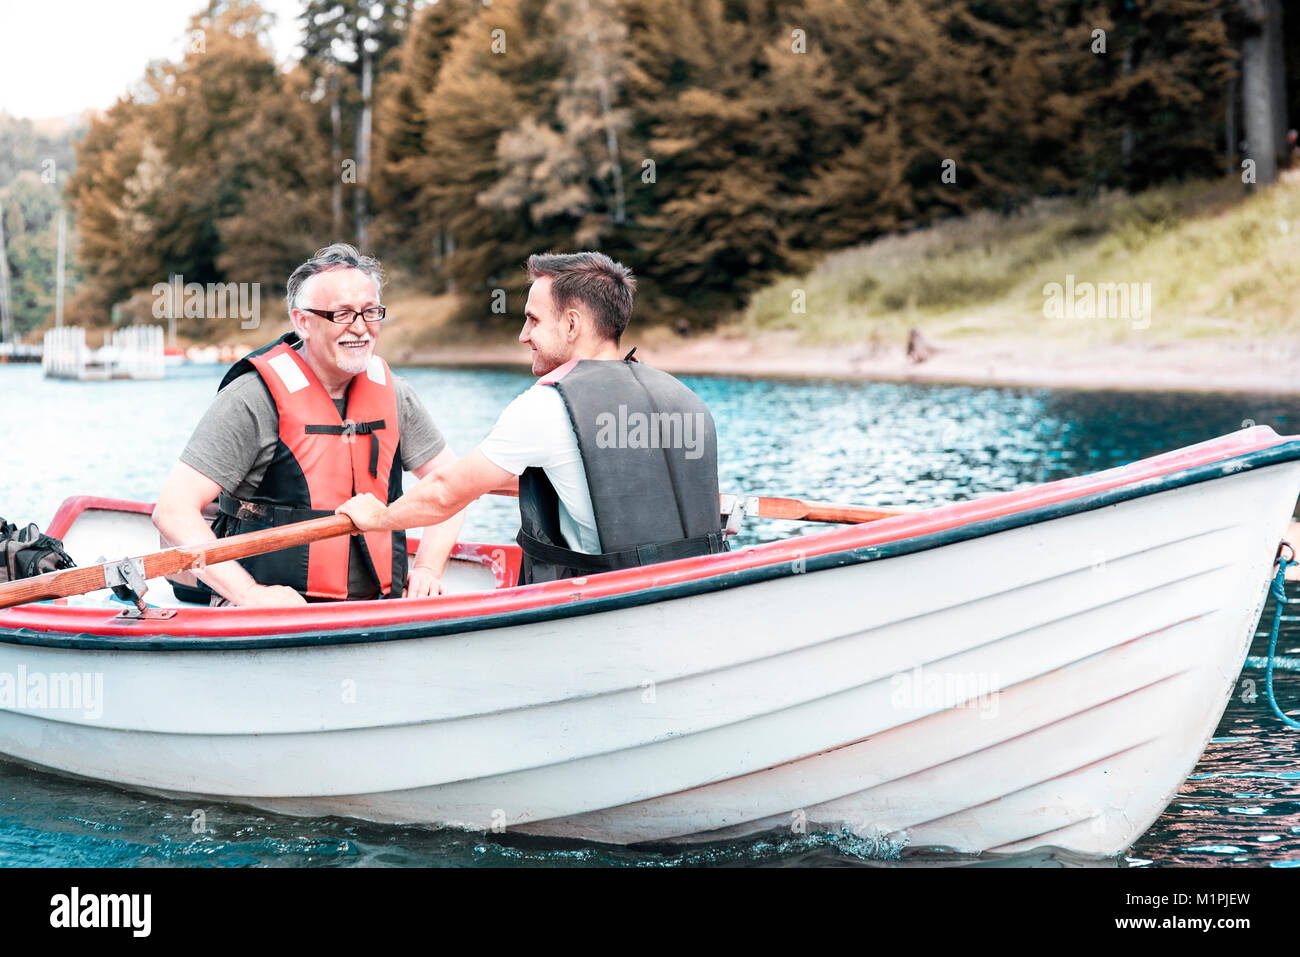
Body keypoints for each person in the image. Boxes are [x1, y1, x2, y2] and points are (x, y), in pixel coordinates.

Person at [339, 251, 727, 584]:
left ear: (572, 324)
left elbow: (443, 493)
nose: (523, 335)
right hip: (694, 584)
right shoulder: (684, 395)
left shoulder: (549, 406)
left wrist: (378, 517)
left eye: (534, 320)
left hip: (609, 597)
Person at [153, 243, 465, 607]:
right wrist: (250, 594)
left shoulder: (394, 394)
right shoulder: (251, 399)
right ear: (303, 321)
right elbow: (173, 512)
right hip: (269, 612)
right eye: (343, 315)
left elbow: (453, 488)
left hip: (377, 605)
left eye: (369, 312)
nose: (361, 329)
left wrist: (427, 568)